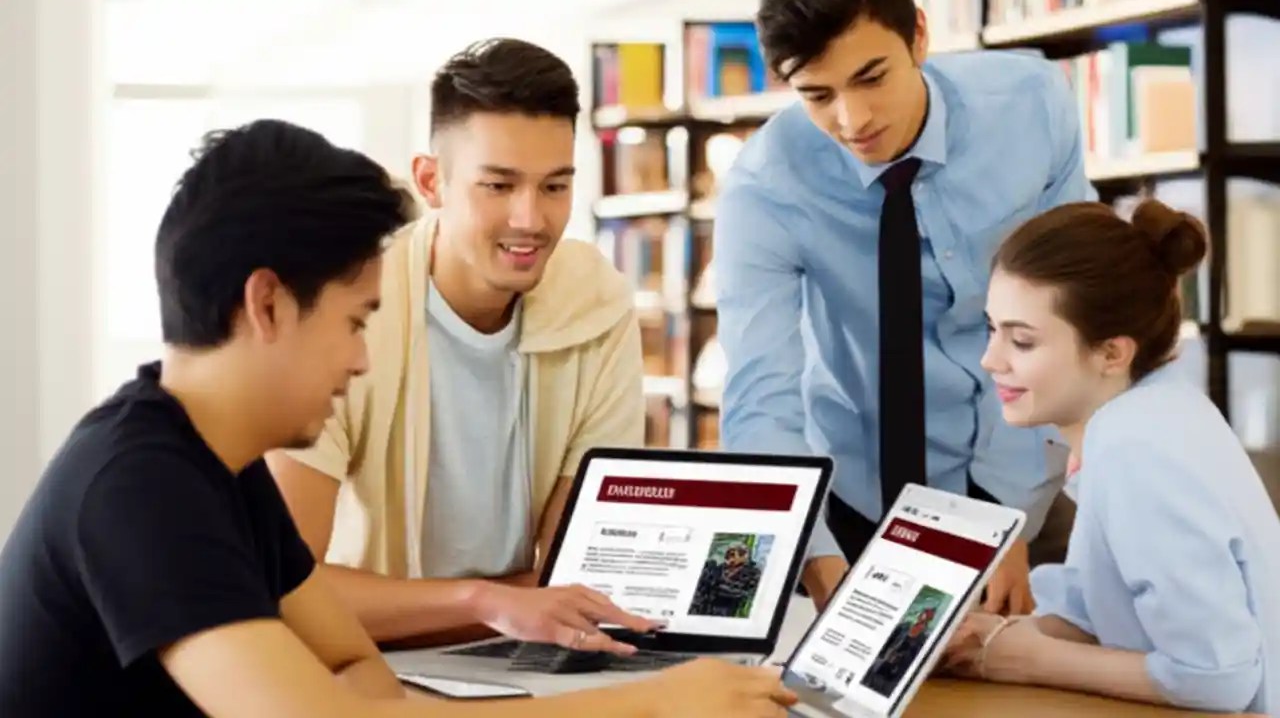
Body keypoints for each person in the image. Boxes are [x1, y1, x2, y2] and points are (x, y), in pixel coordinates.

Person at [0, 118, 799, 718]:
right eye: (355, 321)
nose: (361, 359)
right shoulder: (137, 488)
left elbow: (357, 673)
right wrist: (650, 704)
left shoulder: (219, 467)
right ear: (268, 303)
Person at [265, 37, 668, 652]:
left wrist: (522, 604)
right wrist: (498, 600)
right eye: (498, 186)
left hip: (520, 655)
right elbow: (287, 587)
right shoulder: (348, 307)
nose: (530, 219)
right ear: (432, 180)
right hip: (365, 659)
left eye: (555, 187)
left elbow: (577, 581)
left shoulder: (595, 300)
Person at [713, 0, 1096, 615]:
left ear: (918, 34)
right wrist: (813, 556)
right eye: (817, 94)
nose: (852, 118)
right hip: (859, 507)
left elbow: (1067, 310)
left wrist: (1008, 520)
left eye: (872, 77)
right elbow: (761, 397)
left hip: (1025, 482)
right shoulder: (766, 188)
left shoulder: (1031, 107)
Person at [940, 199, 1279, 715]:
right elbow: (1095, 602)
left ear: (1112, 353)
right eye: (992, 329)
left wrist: (1017, 659)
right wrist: (989, 635)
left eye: (1022, 341)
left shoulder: (1133, 450)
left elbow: (1217, 677)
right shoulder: (1155, 409)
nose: (991, 360)